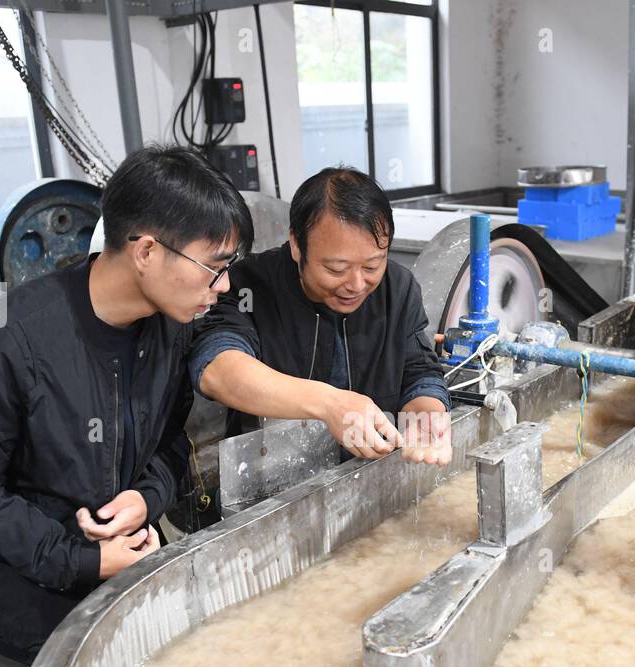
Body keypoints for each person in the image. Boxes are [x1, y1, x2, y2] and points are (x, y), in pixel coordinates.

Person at [0, 146, 404, 667]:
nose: (221, 287)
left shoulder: (168, 331)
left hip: (132, 607)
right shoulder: (12, 340)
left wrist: (148, 500)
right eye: (213, 265)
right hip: (27, 627)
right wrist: (79, 561)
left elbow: (170, 450)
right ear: (145, 251)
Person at [190, 166, 453, 464]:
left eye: (371, 266)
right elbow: (216, 369)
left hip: (370, 472)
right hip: (274, 481)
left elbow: (419, 370)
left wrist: (426, 417)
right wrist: (329, 404)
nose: (356, 285)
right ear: (296, 245)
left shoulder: (398, 288)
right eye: (336, 269)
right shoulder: (250, 285)